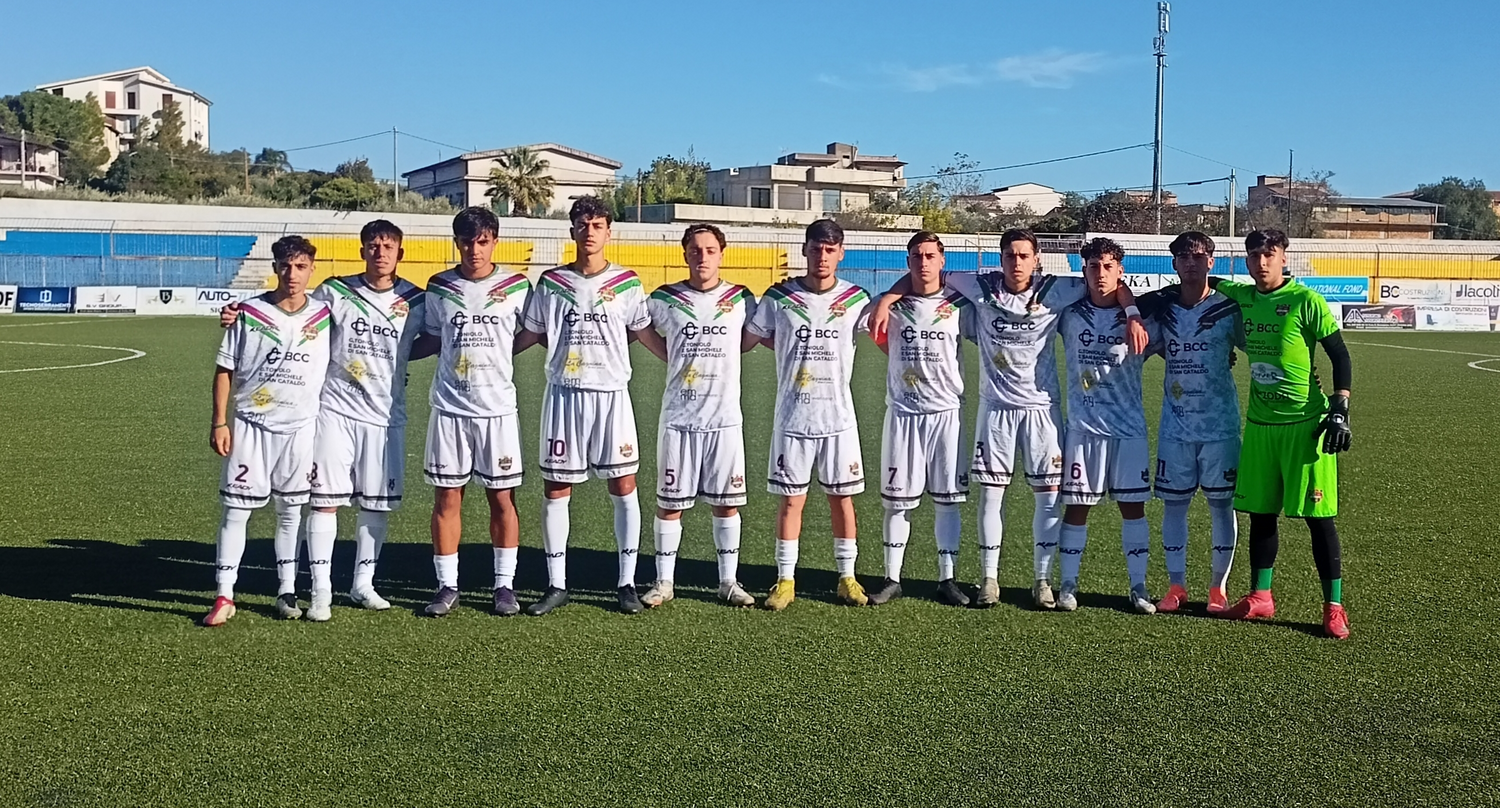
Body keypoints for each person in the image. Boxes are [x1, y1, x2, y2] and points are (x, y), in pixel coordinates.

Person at [869, 229, 1145, 609]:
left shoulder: (1058, 289)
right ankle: (989, 580)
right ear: (1001, 259)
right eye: (1010, 255)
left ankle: (1042, 581)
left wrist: (1132, 313)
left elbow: (1114, 285)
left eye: (1023, 256)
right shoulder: (980, 287)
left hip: (1041, 410)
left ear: (1037, 259)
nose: (1017, 262)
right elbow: (924, 275)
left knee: (1048, 498)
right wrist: (888, 298)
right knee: (991, 495)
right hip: (995, 409)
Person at [222, 220, 431, 619]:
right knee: (325, 502)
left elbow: (435, 338)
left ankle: (363, 584)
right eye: (373, 246)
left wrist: (401, 357)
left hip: (386, 415)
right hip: (334, 410)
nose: (380, 253)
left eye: (388, 246)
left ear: (400, 254)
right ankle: (322, 591)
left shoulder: (416, 300)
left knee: (376, 505)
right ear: (362, 251)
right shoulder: (335, 291)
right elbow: (291, 308)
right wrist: (237, 310)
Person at [521, 196, 668, 616]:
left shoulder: (626, 283)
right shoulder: (551, 283)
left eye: (597, 224)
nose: (590, 231)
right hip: (564, 395)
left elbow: (642, 332)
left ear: (609, 232)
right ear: (572, 231)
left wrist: (679, 360)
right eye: (583, 224)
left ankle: (626, 583)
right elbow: (534, 333)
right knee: (556, 489)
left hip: (611, 396)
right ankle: (556, 585)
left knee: (623, 486)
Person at [1211, 229, 1353, 639]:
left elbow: (1339, 355)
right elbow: (1206, 280)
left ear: (1283, 257)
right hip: (1261, 426)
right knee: (1261, 514)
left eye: (1269, 254)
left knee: (1318, 519)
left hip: (1305, 426)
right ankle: (1261, 596)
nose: (1261, 262)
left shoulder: (1306, 301)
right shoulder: (1243, 296)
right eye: (1254, 255)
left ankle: (1333, 607)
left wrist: (1340, 407)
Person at [202, 236, 332, 627]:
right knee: (236, 511)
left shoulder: (325, 314)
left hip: (300, 429)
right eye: (285, 266)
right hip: (251, 427)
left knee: (291, 512)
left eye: (301, 267)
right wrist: (219, 421)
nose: (292, 274)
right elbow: (225, 369)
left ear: (312, 269)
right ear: (275, 268)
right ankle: (224, 594)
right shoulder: (248, 313)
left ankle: (286, 590)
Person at [746, 218, 873, 610]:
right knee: (791, 502)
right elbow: (751, 338)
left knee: (842, 500)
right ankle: (785, 580)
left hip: (838, 419)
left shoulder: (856, 299)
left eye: (830, 249)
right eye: (816, 248)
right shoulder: (779, 297)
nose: (822, 256)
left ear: (841, 253)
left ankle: (847, 578)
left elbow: (883, 326)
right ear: (805, 250)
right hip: (793, 418)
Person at [638, 224, 759, 608]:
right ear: (685, 254)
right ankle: (664, 582)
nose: (702, 256)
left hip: (724, 419)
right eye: (695, 250)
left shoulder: (741, 299)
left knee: (727, 503)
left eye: (709, 250)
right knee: (670, 503)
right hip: (679, 417)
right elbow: (640, 328)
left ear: (721, 254)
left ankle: (728, 582)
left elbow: (748, 339)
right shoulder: (665, 298)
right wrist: (670, 355)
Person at [421, 207, 534, 617]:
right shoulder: (439, 287)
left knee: (502, 498)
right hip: (449, 408)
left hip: (496, 409)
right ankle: (446, 585)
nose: (475, 250)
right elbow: (432, 337)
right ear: (457, 243)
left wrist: (500, 356)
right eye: (467, 242)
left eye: (483, 241)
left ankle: (504, 586)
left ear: (495, 242)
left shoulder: (517, 287)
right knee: (447, 497)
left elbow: (530, 333)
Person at [865, 231, 972, 607]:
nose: (923, 262)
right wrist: (886, 299)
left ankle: (947, 579)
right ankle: (892, 578)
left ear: (942, 261)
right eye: (916, 256)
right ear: (908, 261)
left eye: (930, 256)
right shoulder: (891, 305)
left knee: (948, 501)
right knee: (897, 502)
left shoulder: (960, 304)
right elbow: (878, 338)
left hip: (946, 414)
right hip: (903, 414)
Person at [1139, 231, 1242, 613]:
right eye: (1183, 256)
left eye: (1198, 256)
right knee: (1174, 507)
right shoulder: (1164, 311)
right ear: (1174, 264)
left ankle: (1218, 589)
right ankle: (1176, 586)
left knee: (1221, 507)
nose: (1191, 262)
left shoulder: (1228, 309)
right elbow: (1146, 343)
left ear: (1211, 261)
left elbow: (1261, 344)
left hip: (1220, 428)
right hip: (1176, 427)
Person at [1055, 237, 1158, 614]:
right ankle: (1068, 584)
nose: (1101, 273)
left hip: (1128, 430)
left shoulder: (1143, 319)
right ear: (1084, 271)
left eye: (1109, 266)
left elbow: (1177, 346)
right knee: (1077, 507)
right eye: (1094, 266)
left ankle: (1139, 586)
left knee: (1133, 507)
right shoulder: (1068, 313)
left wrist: (1131, 311)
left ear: (1120, 271)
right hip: (1083, 429)